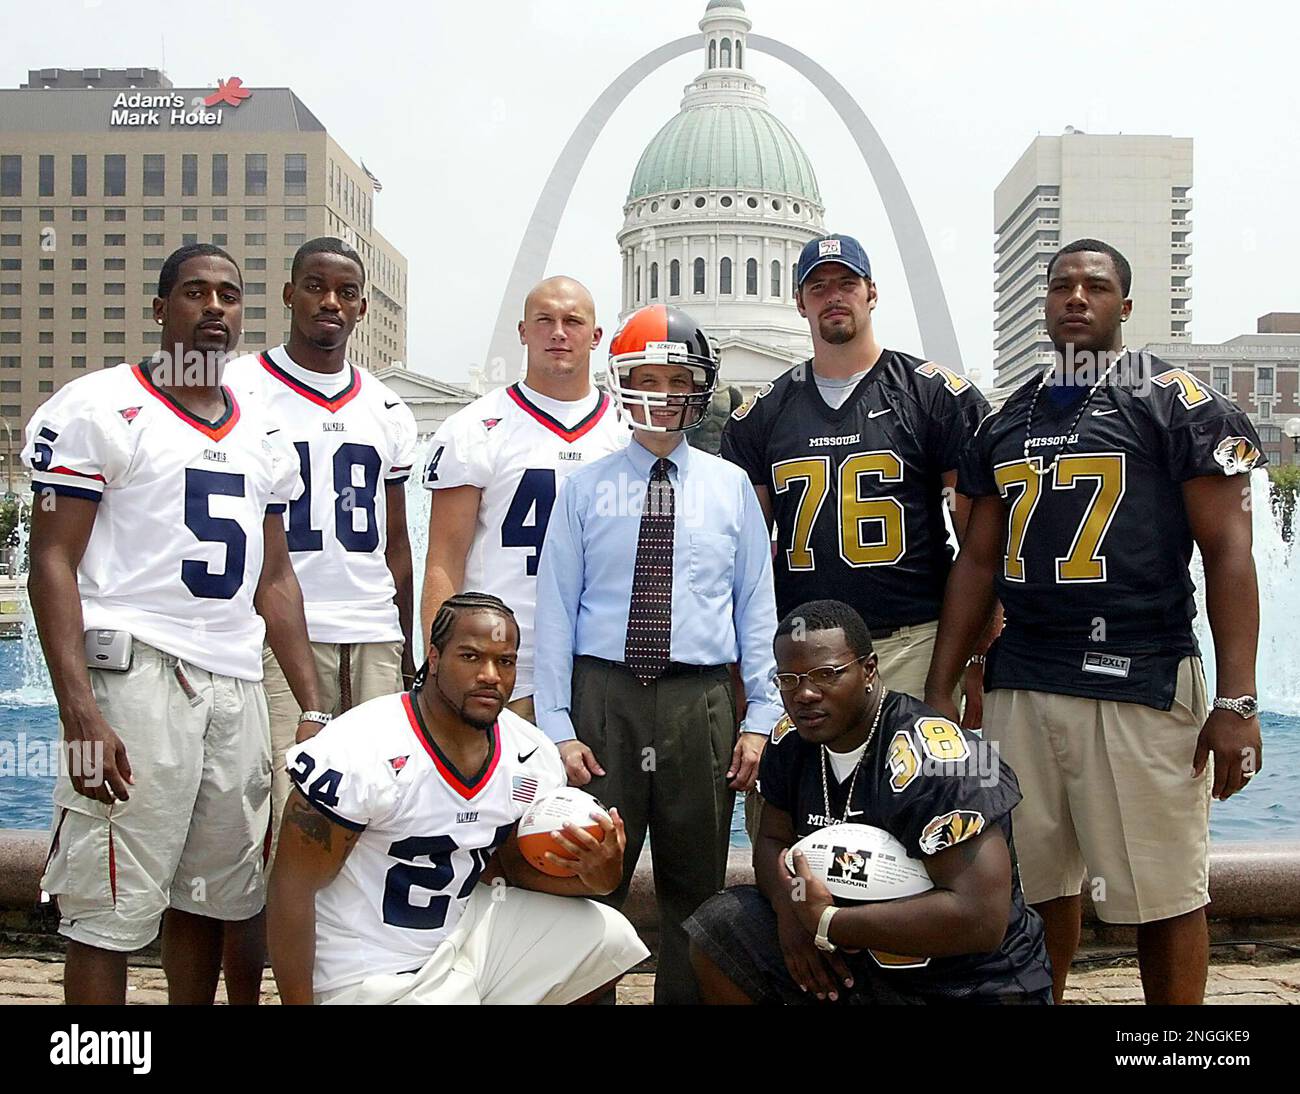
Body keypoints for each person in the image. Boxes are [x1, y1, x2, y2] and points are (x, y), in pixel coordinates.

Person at [924, 238, 1267, 1004]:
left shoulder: (1176, 402)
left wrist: (1238, 702)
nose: (1076, 297)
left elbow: (1229, 554)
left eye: (1096, 286)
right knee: (1034, 886)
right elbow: (978, 564)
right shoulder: (1005, 419)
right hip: (1026, 681)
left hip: (1140, 677)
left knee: (1165, 893)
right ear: (1043, 303)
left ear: (1125, 306)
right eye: (1062, 286)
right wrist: (944, 686)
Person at [23, 244, 322, 1005]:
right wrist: (79, 711)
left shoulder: (262, 433)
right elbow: (52, 562)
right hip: (137, 673)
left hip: (235, 679)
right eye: (195, 293)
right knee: (107, 910)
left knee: (215, 897)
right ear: (160, 310)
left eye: (228, 294)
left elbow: (276, 579)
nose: (214, 308)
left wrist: (315, 705)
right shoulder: (97, 408)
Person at [533, 304, 783, 1004]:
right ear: (622, 381)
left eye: (678, 378)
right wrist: (557, 723)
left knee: (696, 889)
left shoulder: (730, 487)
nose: (664, 391)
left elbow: (755, 609)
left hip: (696, 701)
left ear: (699, 387)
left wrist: (761, 715)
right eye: (648, 376)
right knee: (591, 882)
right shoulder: (583, 488)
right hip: (604, 696)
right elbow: (555, 608)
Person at [266, 592, 649, 1004]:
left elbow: (512, 872)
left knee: (606, 937)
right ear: (433, 659)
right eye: (470, 657)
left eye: (505, 661)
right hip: (364, 972)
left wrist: (601, 872)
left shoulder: (531, 754)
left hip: (458, 941)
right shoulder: (361, 746)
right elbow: (292, 890)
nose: (490, 675)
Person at [686, 600, 1053, 1005]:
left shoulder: (942, 760)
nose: (805, 693)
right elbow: (773, 839)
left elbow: (980, 919)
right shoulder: (790, 740)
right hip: (858, 962)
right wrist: (790, 910)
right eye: (789, 680)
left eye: (826, 674)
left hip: (966, 981)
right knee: (721, 928)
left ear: (869, 670)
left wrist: (827, 922)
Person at [720, 233, 991, 709]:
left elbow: (980, 548)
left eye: (847, 282)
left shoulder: (934, 396)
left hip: (914, 643)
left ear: (872, 292)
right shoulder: (762, 414)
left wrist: (969, 660)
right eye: (819, 287)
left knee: (916, 782)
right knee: (809, 786)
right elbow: (746, 562)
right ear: (800, 302)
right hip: (804, 655)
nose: (834, 296)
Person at [224, 237, 419, 848]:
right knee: (290, 807)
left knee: (379, 806)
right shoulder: (240, 386)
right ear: (289, 295)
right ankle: (282, 947)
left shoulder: (388, 407)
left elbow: (397, 544)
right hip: (281, 629)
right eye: (315, 286)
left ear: (362, 309)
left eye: (346, 292)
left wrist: (409, 643)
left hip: (372, 628)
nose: (330, 301)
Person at [419, 276, 629, 722]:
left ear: (595, 337)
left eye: (572, 321)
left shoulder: (627, 429)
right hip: (500, 662)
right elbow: (444, 559)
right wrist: (437, 661)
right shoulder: (476, 427)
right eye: (544, 320)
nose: (558, 332)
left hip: (602, 660)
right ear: (522, 331)